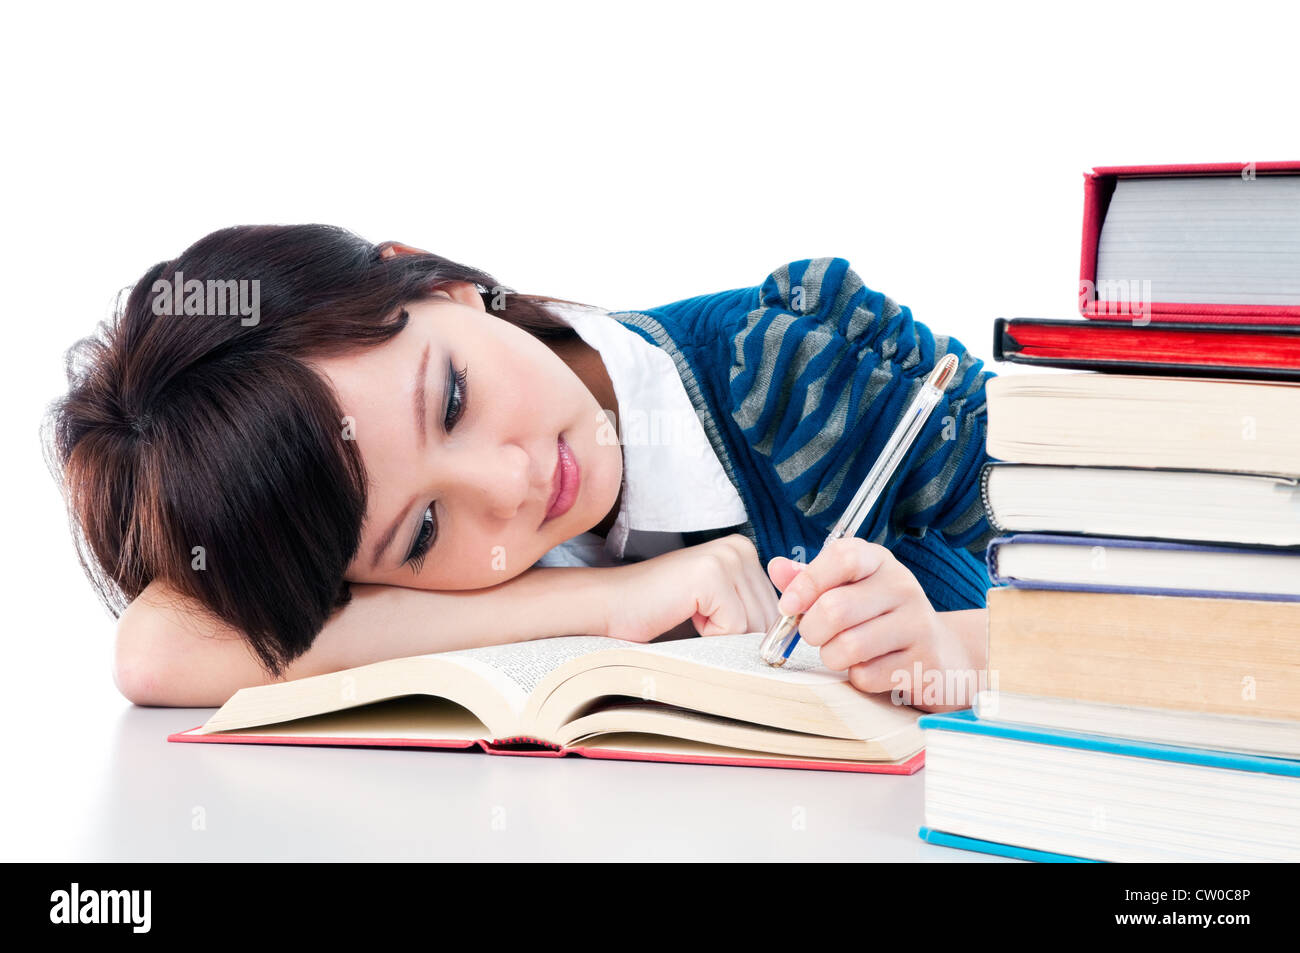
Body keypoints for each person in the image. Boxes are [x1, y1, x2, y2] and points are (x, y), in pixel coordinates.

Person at [45, 225, 996, 711]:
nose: (509, 488)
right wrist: (614, 600)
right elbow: (158, 646)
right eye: (422, 530)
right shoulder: (517, 563)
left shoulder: (795, 369)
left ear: (439, 281)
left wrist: (957, 653)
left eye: (452, 398)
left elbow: (1136, 572)